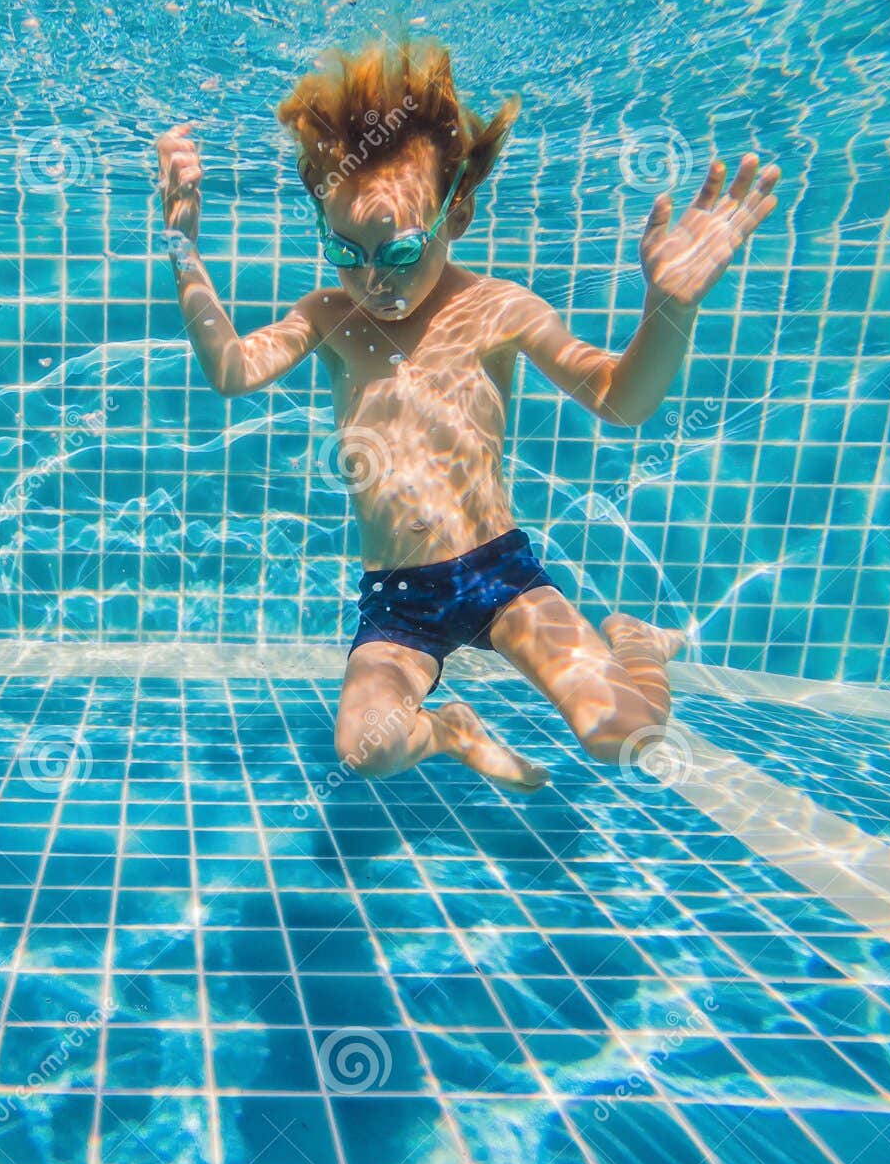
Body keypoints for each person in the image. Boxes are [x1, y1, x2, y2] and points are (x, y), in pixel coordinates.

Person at [155, 39, 780, 790]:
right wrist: (182, 247)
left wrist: (668, 308)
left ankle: (637, 647)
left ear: (460, 215)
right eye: (344, 249)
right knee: (365, 749)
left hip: (501, 576)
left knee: (624, 737)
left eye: (401, 250)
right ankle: (448, 730)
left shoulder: (497, 310)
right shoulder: (329, 314)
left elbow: (620, 397)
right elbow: (233, 372)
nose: (373, 279)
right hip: (398, 600)